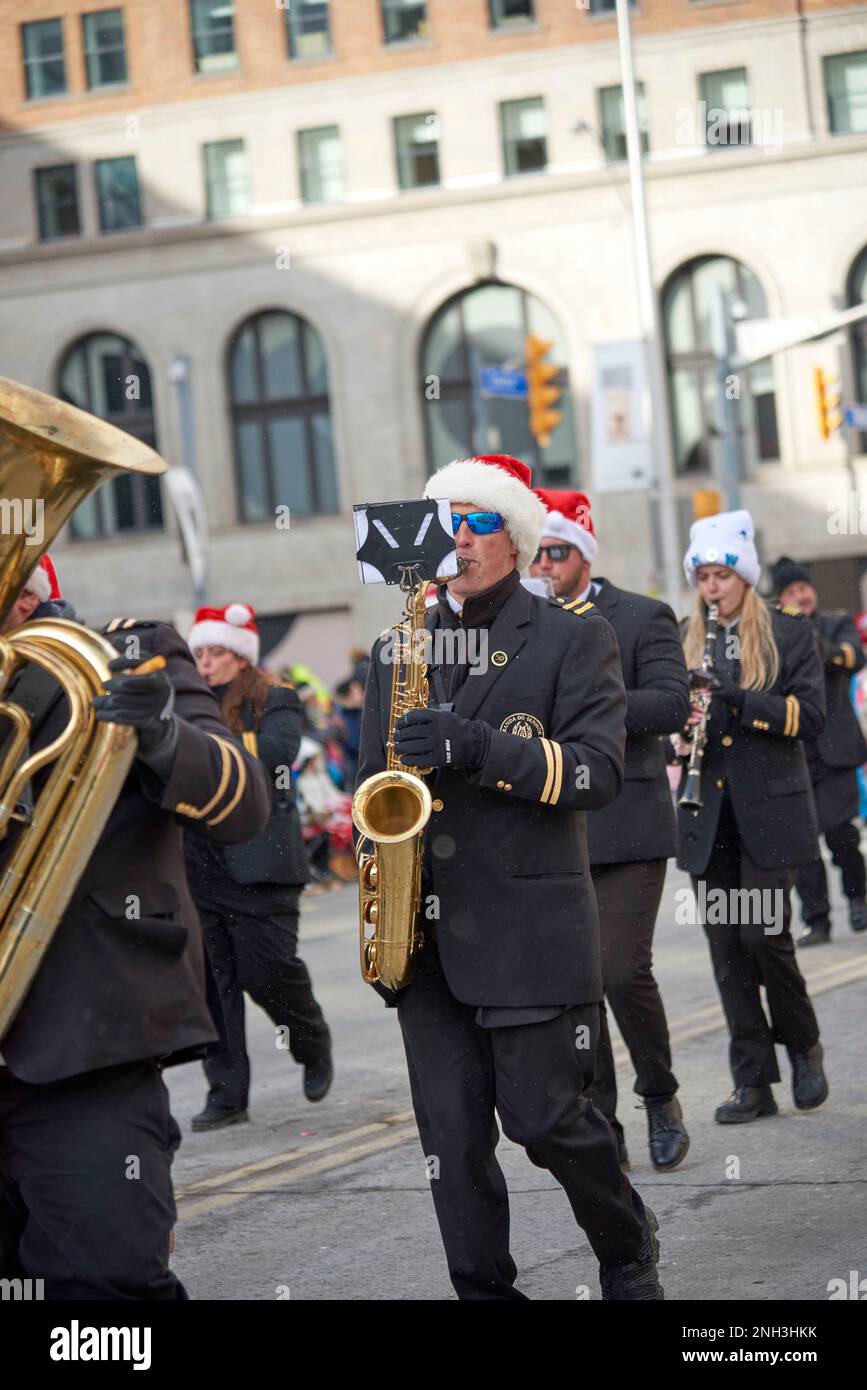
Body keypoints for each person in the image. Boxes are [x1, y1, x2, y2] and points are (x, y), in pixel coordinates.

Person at [357, 453, 662, 1300]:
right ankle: (483, 1292)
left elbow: (598, 775)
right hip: (423, 933)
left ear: (519, 540)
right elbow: (367, 787)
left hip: (527, 924)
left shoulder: (573, 636)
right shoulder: (397, 645)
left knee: (548, 1123)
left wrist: (478, 747)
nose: (459, 535)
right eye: (445, 520)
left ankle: (626, 1241)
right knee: (449, 1144)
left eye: (480, 519)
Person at [0, 569, 272, 1299]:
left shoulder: (127, 652)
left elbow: (242, 804)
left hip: (83, 1039)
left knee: (106, 1289)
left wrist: (162, 734)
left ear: (31, 589)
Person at [530, 489, 690, 1173]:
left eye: (556, 551)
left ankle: (659, 1096)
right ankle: (601, 1118)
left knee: (621, 969)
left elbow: (671, 702)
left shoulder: (641, 614)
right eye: (536, 551)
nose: (543, 563)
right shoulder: (524, 621)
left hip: (627, 821)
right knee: (575, 984)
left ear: (584, 552)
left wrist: (595, 708)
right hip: (553, 824)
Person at [674, 511, 829, 1124]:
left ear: (744, 577)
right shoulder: (688, 637)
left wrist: (737, 700)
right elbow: (668, 726)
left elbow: (809, 718)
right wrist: (678, 735)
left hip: (772, 811)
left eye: (722, 574)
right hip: (707, 815)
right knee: (726, 951)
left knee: (762, 935)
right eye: (704, 575)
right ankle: (754, 1082)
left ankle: (805, 1048)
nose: (712, 587)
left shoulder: (789, 633)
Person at [186, 603, 333, 1130]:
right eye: (199, 653)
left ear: (242, 657)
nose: (205, 664)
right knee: (214, 985)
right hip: (200, 861)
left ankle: (311, 1041)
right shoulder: (189, 704)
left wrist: (199, 739)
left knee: (267, 972)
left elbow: (276, 752)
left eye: (217, 653)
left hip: (260, 860)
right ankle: (227, 1093)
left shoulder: (277, 699)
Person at [770, 557, 867, 946]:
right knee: (803, 844)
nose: (801, 595)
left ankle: (858, 898)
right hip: (794, 751)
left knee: (841, 833)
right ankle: (817, 919)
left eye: (803, 589)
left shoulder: (835, 623)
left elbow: (853, 657)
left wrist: (809, 635)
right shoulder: (775, 633)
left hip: (835, 748)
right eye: (791, 592)